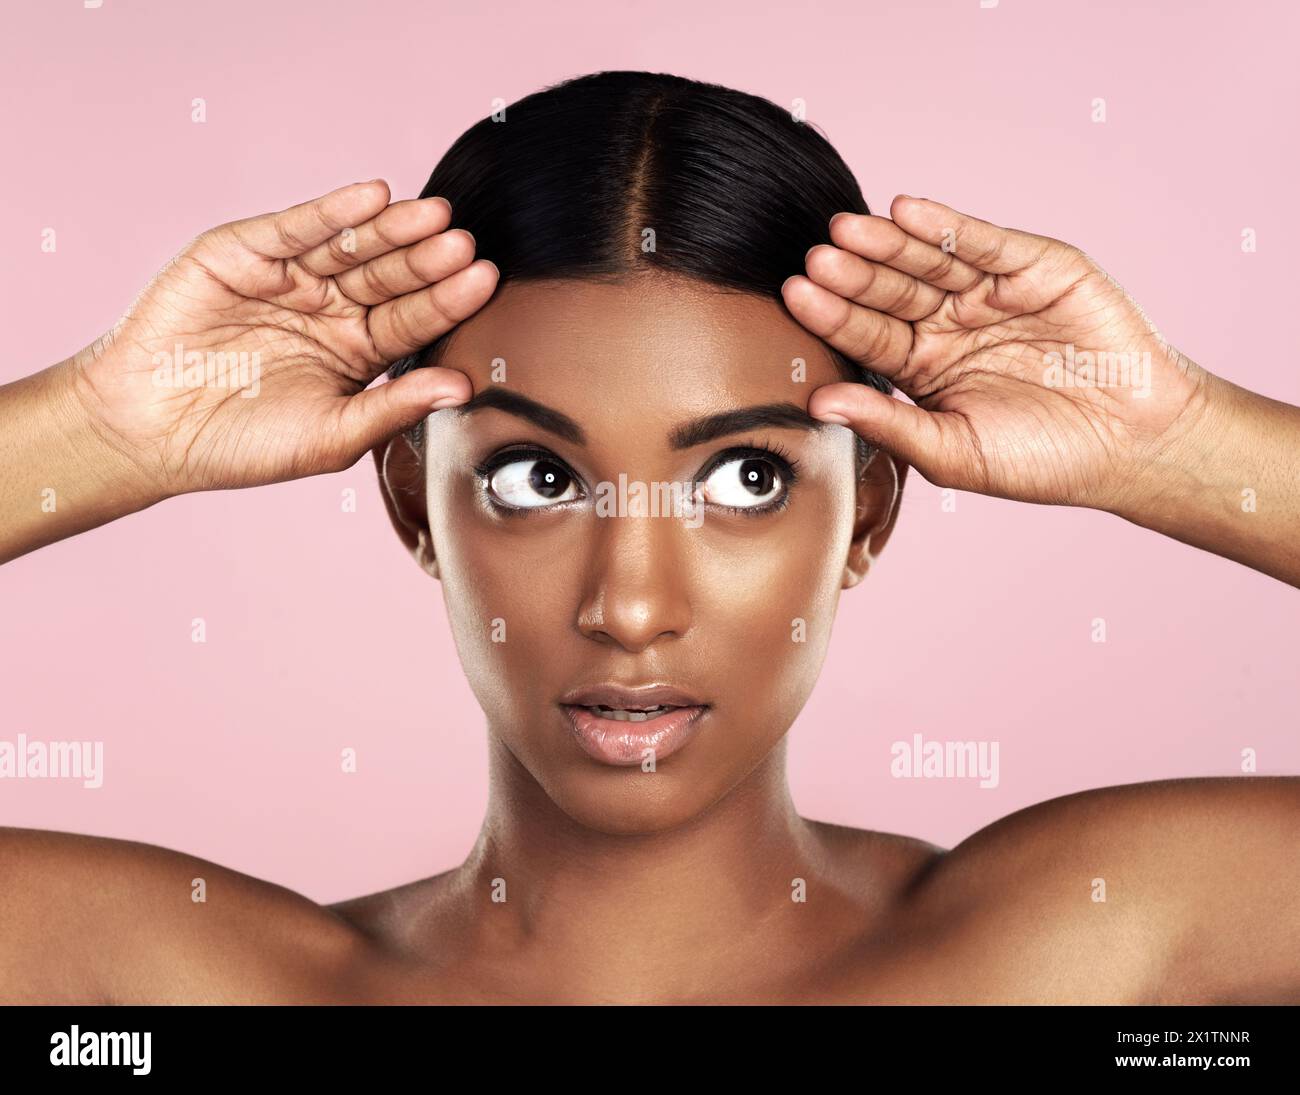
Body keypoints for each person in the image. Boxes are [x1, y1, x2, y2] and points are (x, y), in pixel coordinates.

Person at [1, 71, 1296, 1005]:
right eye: (531, 479)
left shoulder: (1084, 955)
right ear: (415, 507)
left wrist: (1182, 444)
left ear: (872, 510)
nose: (630, 606)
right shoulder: (197, 990)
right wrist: (100, 432)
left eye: (741, 478)